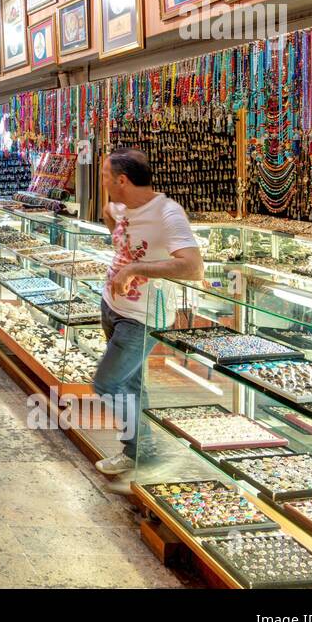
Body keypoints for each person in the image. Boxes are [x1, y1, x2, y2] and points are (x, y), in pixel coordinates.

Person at [94, 148, 203, 480]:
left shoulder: (168, 214)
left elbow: (193, 266)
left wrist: (136, 268)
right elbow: (110, 214)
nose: (103, 183)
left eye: (105, 177)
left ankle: (146, 450)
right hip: (113, 308)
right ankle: (137, 454)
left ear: (122, 181)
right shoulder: (122, 206)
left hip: (141, 317)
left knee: (107, 383)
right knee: (132, 385)